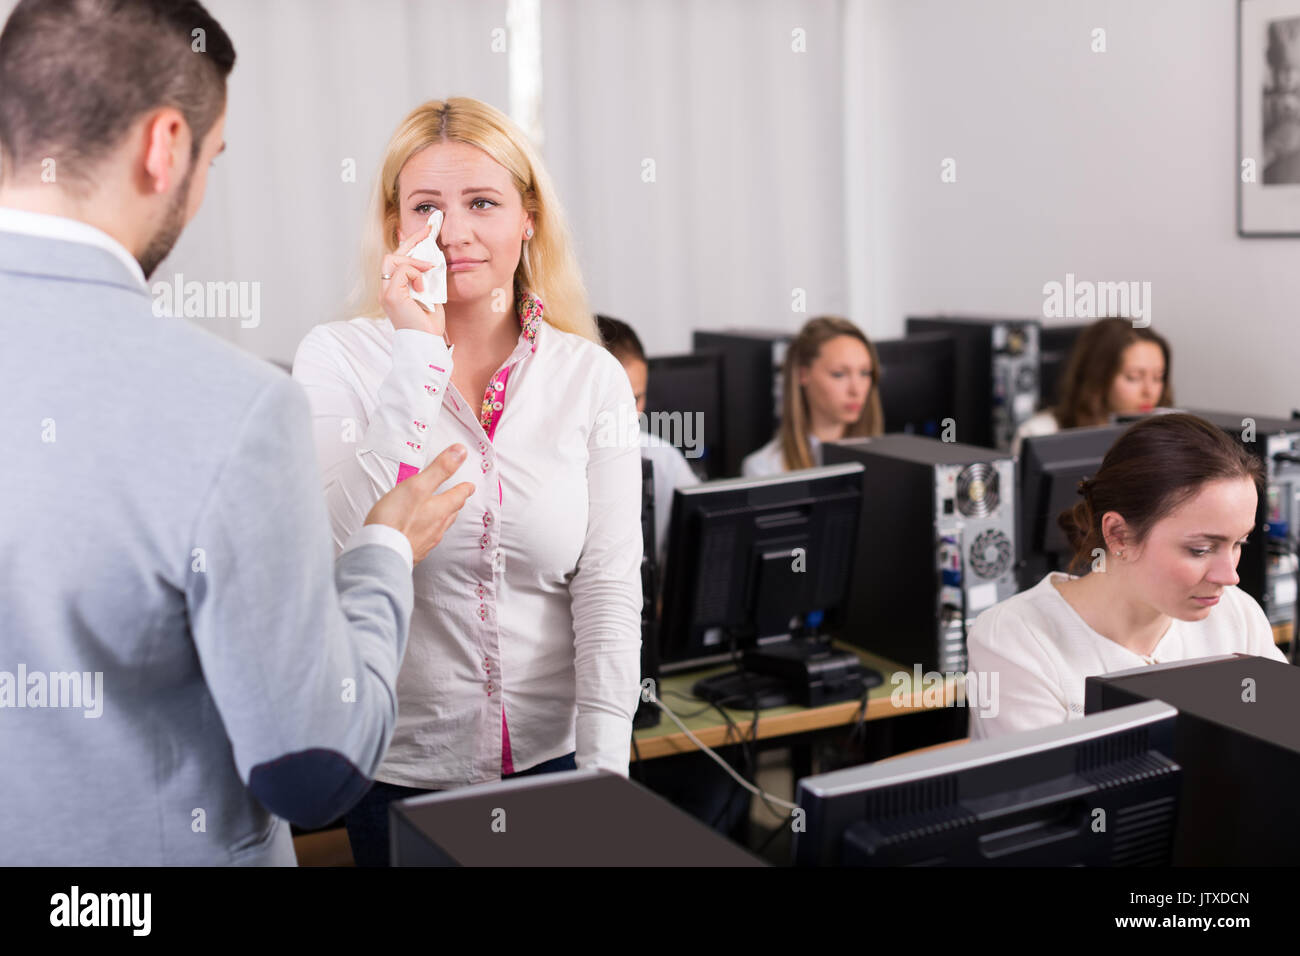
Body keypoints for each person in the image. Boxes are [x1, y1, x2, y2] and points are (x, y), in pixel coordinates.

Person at [0, 0, 474, 866]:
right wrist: (383, 557)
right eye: (212, 159)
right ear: (164, 147)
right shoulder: (235, 407)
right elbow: (312, 773)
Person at [292, 97, 644, 865]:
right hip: (399, 774)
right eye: (425, 207)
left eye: (482, 202)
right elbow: (346, 554)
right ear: (394, 228)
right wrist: (417, 360)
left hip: (554, 764)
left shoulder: (590, 379)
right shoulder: (337, 360)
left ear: (528, 219)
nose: (452, 233)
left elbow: (609, 588)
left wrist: (605, 774)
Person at [968, 414, 1288, 741]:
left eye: (1239, 543)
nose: (1230, 575)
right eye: (1201, 549)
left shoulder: (1238, 615)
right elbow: (1048, 788)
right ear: (1118, 534)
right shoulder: (1015, 639)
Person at [596, 314, 700, 564]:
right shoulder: (553, 464)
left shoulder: (662, 459)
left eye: (636, 399)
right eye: (616, 401)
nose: (629, 416)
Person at [741, 316, 883, 477]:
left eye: (864, 373)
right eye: (839, 374)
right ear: (803, 374)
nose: (856, 390)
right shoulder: (765, 468)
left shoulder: (887, 459)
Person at [1014, 318, 1173, 455]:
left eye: (1158, 378)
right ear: (1098, 377)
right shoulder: (1039, 434)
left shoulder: (1165, 438)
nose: (1149, 391)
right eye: (1134, 377)